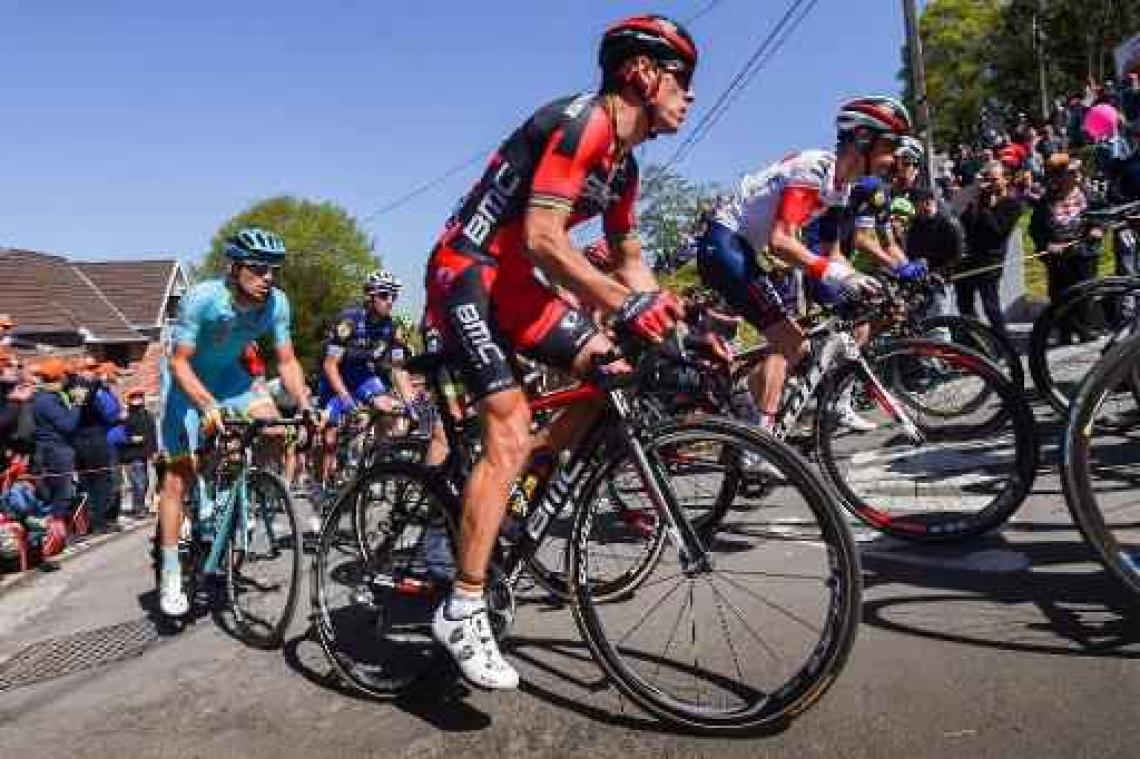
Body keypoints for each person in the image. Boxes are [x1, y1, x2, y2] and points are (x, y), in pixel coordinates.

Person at [422, 14, 698, 690]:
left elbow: (630, 257)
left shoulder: (625, 164)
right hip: (468, 271)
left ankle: (514, 496)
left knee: (616, 369)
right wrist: (624, 301)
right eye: (682, 80)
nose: (688, 96)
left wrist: (678, 328)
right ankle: (462, 605)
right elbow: (546, 238)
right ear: (641, 72)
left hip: (516, 282)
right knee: (508, 431)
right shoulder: (586, 124)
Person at [698, 96, 913, 436]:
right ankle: (761, 440)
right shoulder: (813, 168)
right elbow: (781, 242)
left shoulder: (841, 187)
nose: (893, 157)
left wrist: (860, 281)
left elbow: (833, 253)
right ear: (861, 140)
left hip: (744, 249)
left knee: (794, 345)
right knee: (790, 342)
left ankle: (741, 408)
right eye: (888, 145)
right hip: (725, 243)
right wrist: (837, 274)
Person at [157, 227, 313, 617]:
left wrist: (306, 403)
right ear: (234, 267)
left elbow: (288, 361)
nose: (268, 277)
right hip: (188, 380)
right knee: (177, 477)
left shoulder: (276, 304)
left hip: (231, 379)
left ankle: (246, 486)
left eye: (274, 269)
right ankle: (172, 573)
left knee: (278, 429)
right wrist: (207, 405)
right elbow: (179, 362)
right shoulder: (203, 299)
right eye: (259, 269)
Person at [317, 269, 414, 494]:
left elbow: (398, 369)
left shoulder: (392, 327)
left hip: (362, 375)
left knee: (390, 411)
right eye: (384, 295)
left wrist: (411, 402)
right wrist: (346, 399)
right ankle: (321, 486)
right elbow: (330, 365)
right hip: (336, 376)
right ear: (369, 297)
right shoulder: (349, 321)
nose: (390, 301)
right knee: (329, 434)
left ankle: (374, 468)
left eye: (393, 296)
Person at [955, 161, 1025, 345]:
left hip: (990, 260)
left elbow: (997, 232)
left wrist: (987, 208)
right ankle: (975, 343)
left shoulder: (1012, 204)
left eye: (994, 179)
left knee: (991, 305)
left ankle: (1004, 344)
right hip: (968, 258)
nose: (989, 184)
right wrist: (975, 199)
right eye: (987, 179)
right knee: (964, 304)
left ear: (1005, 180)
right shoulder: (976, 201)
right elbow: (963, 221)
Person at [1029, 153, 1095, 343]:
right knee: (1060, 294)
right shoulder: (1046, 201)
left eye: (1076, 172)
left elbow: (1100, 213)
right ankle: (1064, 331)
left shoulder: (1086, 194)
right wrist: (1046, 245)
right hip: (1058, 257)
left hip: (1083, 251)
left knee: (1085, 292)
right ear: (1059, 177)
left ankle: (1084, 329)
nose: (1077, 175)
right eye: (1071, 172)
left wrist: (1097, 228)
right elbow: (1035, 229)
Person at [118, 388, 156, 518]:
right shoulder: (125, 416)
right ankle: (138, 509)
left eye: (140, 396)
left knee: (144, 482)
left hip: (143, 453)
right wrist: (130, 439)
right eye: (134, 397)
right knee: (138, 482)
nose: (138, 399)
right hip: (131, 454)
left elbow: (152, 435)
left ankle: (139, 506)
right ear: (129, 400)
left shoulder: (147, 415)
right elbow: (119, 435)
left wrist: (153, 451)